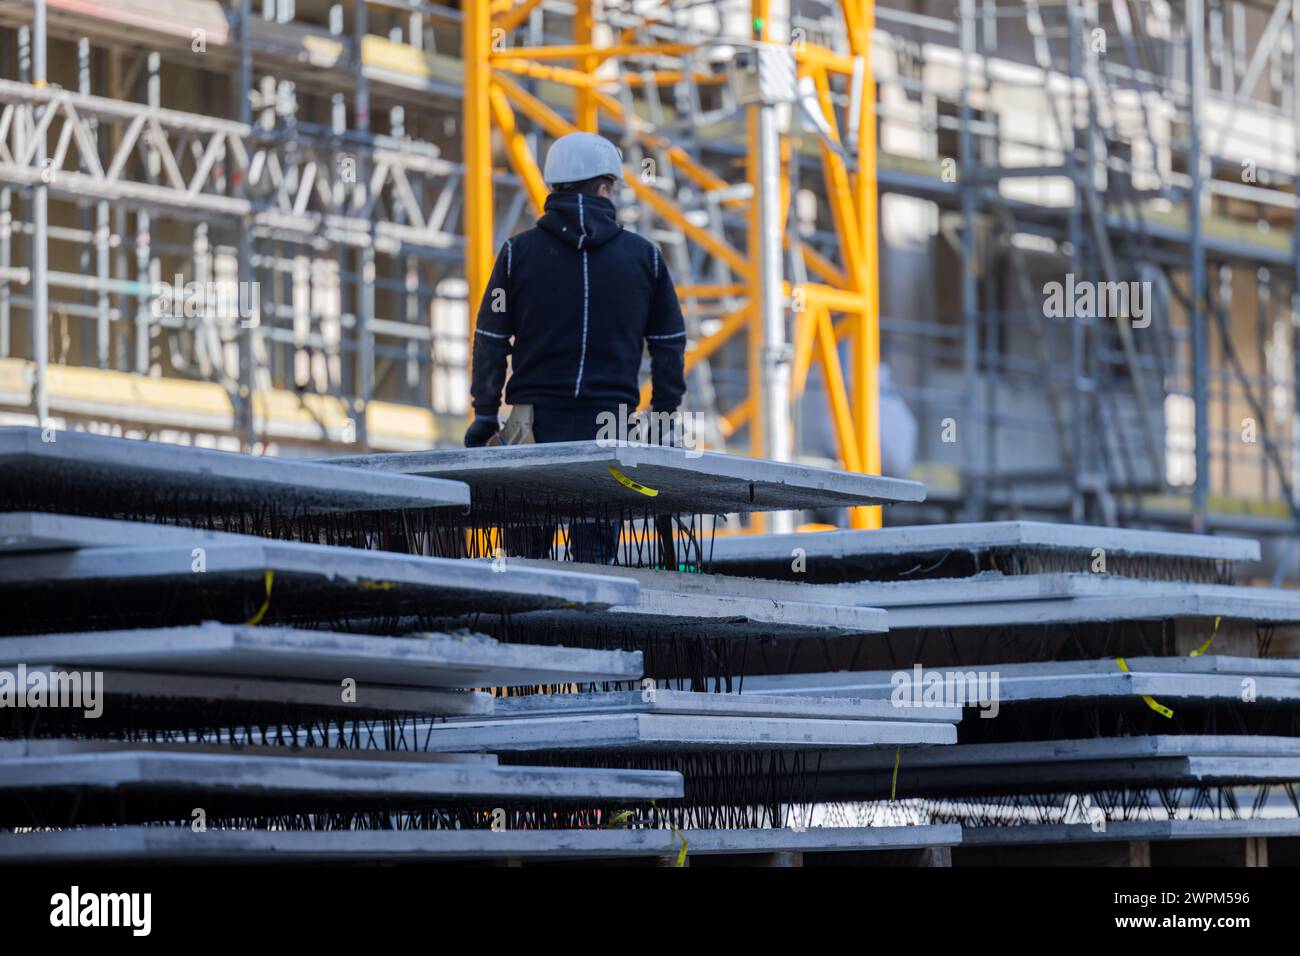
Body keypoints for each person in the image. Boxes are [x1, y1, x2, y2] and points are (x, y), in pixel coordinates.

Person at [466, 131, 687, 450]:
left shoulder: (518, 253)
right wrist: (664, 412)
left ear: (553, 187)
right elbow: (668, 343)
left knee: (524, 500)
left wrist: (485, 413)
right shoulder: (645, 258)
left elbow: (491, 339)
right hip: (613, 427)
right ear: (603, 188)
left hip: (533, 428)